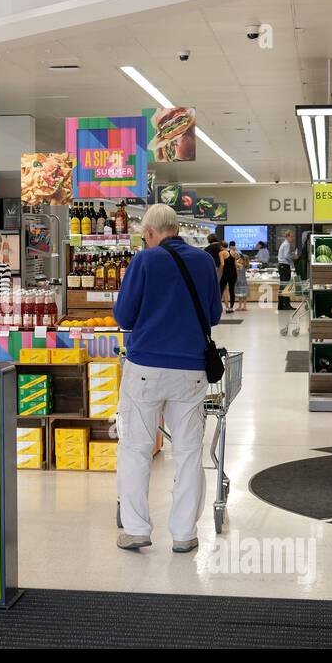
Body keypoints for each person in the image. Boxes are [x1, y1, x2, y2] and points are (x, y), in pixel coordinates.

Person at [112, 204, 222, 554]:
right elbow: (214, 314)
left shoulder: (145, 261)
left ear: (149, 233)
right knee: (189, 451)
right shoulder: (205, 261)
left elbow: (124, 317)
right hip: (191, 371)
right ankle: (184, 533)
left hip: (145, 368)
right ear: (176, 228)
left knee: (135, 449)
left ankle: (136, 529)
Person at [277, 230, 296, 310]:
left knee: (282, 286)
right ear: (287, 236)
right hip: (284, 266)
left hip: (282, 266)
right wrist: (293, 258)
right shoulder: (287, 244)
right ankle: (286, 305)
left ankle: (281, 305)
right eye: (291, 236)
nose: (293, 238)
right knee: (286, 286)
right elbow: (286, 256)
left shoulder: (284, 244)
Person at [219, 240, 239, 313]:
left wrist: (219, 272)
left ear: (221, 246)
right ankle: (231, 308)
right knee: (231, 290)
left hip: (226, 273)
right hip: (233, 274)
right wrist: (236, 274)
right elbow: (235, 264)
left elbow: (222, 264)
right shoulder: (233, 252)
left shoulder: (221, 253)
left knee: (220, 290)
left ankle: (218, 307)